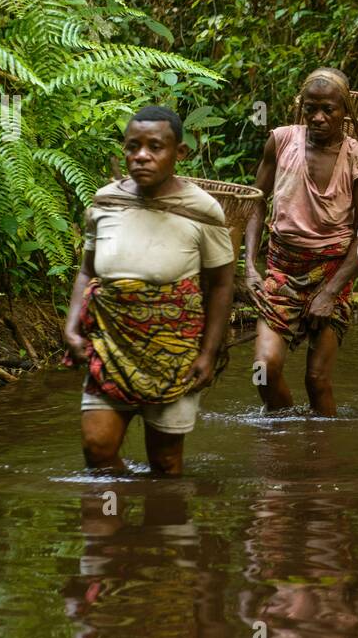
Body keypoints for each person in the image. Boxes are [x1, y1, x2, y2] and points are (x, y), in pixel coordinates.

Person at [63, 105, 236, 475]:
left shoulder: (202, 211)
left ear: (180, 153)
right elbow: (86, 271)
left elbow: (222, 285)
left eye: (155, 147)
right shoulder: (106, 201)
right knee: (97, 451)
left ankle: (159, 528)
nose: (141, 156)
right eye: (132, 146)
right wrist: (71, 327)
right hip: (109, 346)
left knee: (165, 462)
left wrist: (209, 353)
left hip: (175, 353)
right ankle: (115, 529)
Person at [244, 67, 358, 416]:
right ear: (301, 107)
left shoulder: (357, 157)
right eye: (310, 108)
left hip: (332, 274)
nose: (318, 117)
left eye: (328, 110)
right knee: (263, 371)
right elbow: (255, 201)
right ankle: (285, 441)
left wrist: (331, 292)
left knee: (317, 380)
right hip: (282, 272)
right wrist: (248, 267)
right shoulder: (281, 140)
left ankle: (320, 459)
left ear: (344, 112)